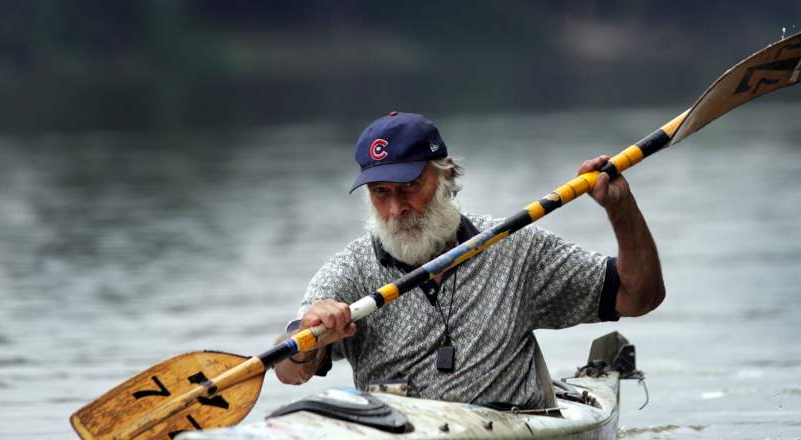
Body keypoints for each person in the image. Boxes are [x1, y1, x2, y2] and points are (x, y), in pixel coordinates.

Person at [274, 111, 664, 409]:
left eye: (410, 187)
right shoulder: (349, 271)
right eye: (381, 192)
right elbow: (288, 373)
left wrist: (620, 208)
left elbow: (639, 296)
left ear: (445, 177)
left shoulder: (516, 249)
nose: (396, 209)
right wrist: (309, 339)